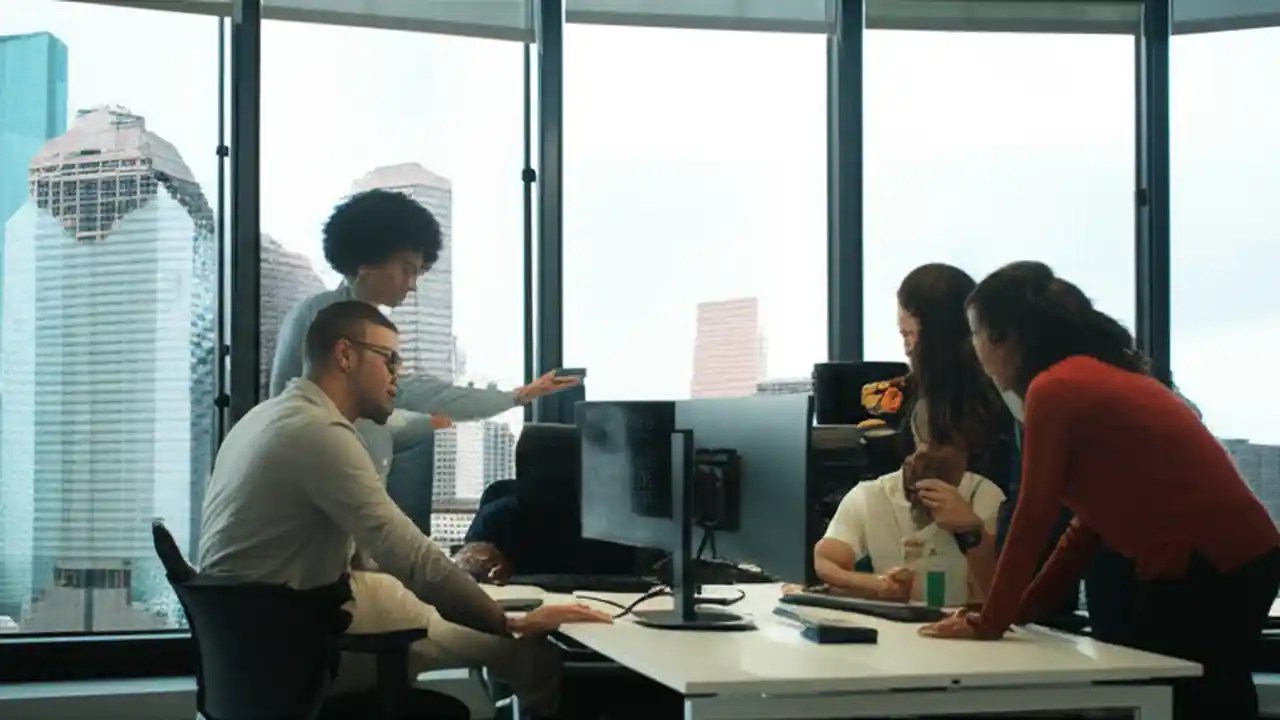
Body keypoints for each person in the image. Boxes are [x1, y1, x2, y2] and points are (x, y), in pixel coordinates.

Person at [200, 301, 610, 715]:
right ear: (345, 355)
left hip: (252, 653)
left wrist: (449, 573)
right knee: (531, 656)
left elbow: (372, 552)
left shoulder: (262, 420)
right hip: (297, 648)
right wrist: (507, 622)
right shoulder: (318, 433)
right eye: (389, 360)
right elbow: (407, 556)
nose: (397, 379)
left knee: (455, 613)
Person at [921, 261, 1280, 720]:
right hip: (1240, 560)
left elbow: (1035, 515)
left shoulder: (1055, 390)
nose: (975, 351)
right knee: (1194, 693)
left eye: (975, 334)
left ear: (1004, 337)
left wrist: (992, 621)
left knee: (1177, 696)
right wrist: (1013, 611)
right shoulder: (1096, 378)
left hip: (1211, 564)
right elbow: (1085, 528)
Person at [269, 188, 578, 483]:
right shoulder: (333, 321)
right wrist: (518, 396)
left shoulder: (330, 313)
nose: (412, 284)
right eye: (407, 270)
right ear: (367, 264)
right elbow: (411, 393)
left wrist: (431, 423)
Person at [814, 444, 1005, 605]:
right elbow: (826, 561)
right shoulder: (871, 495)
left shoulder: (982, 495)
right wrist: (878, 585)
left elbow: (1004, 596)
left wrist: (971, 530)